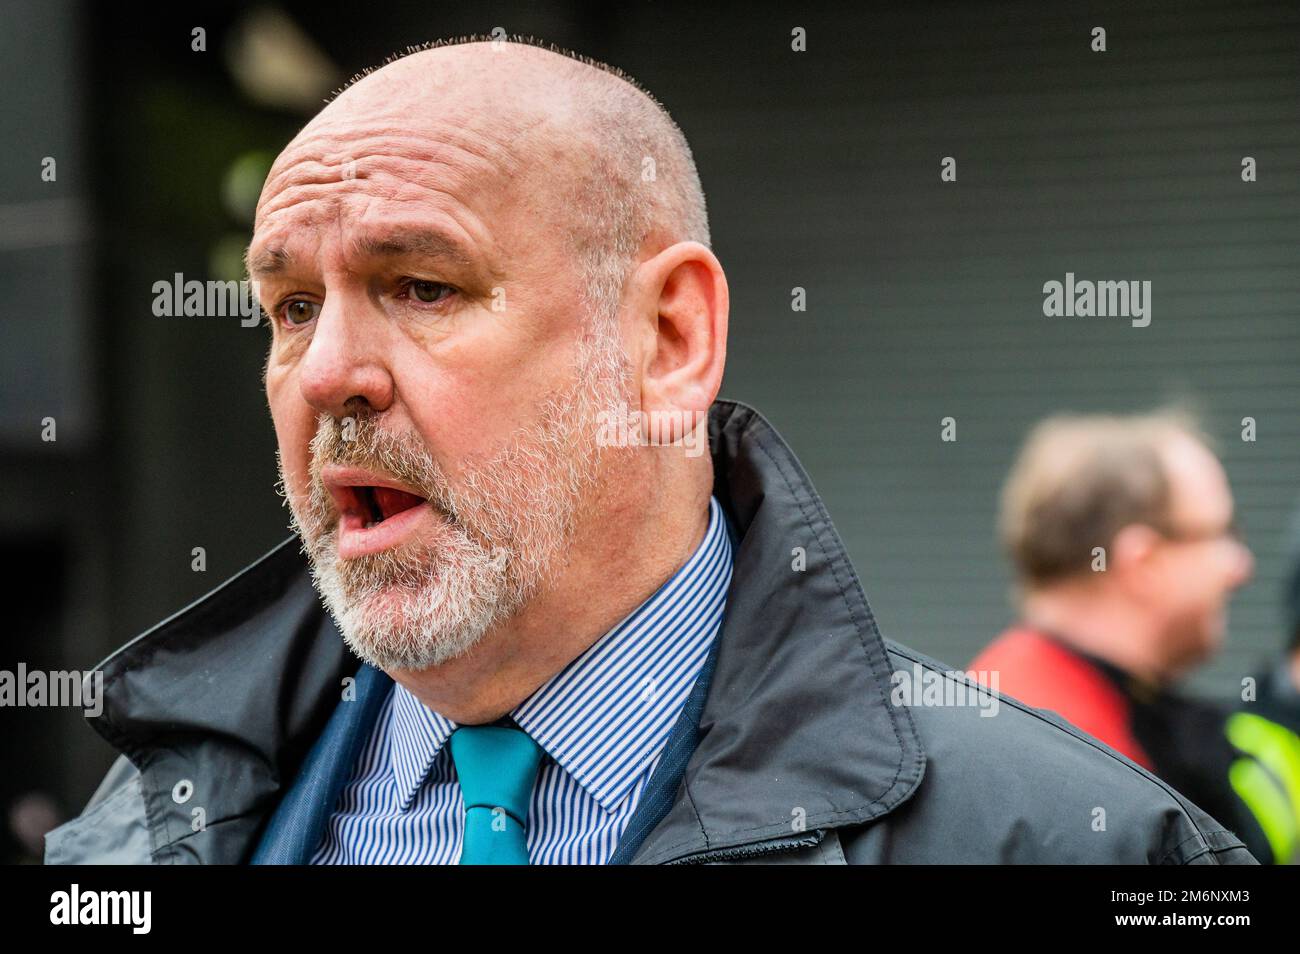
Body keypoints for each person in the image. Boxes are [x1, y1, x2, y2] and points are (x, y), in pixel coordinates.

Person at [45, 37, 1254, 865]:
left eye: (418, 285)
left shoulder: (1059, 840)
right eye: (293, 308)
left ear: (670, 338)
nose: (324, 377)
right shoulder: (145, 832)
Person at [970, 411, 1299, 863]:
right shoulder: (1061, 758)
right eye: (1222, 533)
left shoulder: (1097, 710)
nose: (1241, 567)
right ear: (1142, 562)